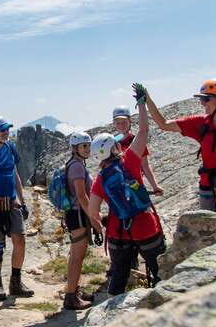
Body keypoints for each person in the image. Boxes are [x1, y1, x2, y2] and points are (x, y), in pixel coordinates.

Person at [89, 86, 166, 295]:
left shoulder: (99, 180)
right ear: (115, 147)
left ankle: (112, 317)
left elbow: (92, 211)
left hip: (117, 229)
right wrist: (141, 103)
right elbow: (143, 131)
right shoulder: (129, 160)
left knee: (119, 277)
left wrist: (101, 224)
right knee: (161, 270)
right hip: (145, 223)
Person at [144, 79, 216, 215]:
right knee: (208, 233)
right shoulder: (200, 123)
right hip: (208, 187)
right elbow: (163, 124)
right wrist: (147, 99)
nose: (202, 103)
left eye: (206, 99)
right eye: (202, 100)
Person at [0, 115, 34, 300]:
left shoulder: (10, 146)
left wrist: (22, 200)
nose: (6, 133)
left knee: (20, 240)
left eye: (7, 129)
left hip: (11, 201)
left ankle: (15, 281)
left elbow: (14, 174)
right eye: (2, 130)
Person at [62, 131, 94, 310]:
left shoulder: (74, 163)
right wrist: (94, 217)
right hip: (79, 214)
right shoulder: (77, 167)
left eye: (88, 145)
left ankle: (73, 290)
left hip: (74, 214)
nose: (87, 149)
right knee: (77, 256)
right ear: (75, 148)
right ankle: (71, 297)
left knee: (75, 254)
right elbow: (81, 195)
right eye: (84, 146)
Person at [112, 105, 163, 195]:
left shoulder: (137, 141)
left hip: (136, 185)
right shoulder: (111, 143)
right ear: (114, 124)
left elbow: (145, 166)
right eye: (118, 123)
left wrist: (155, 186)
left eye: (124, 122)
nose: (121, 125)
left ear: (129, 121)